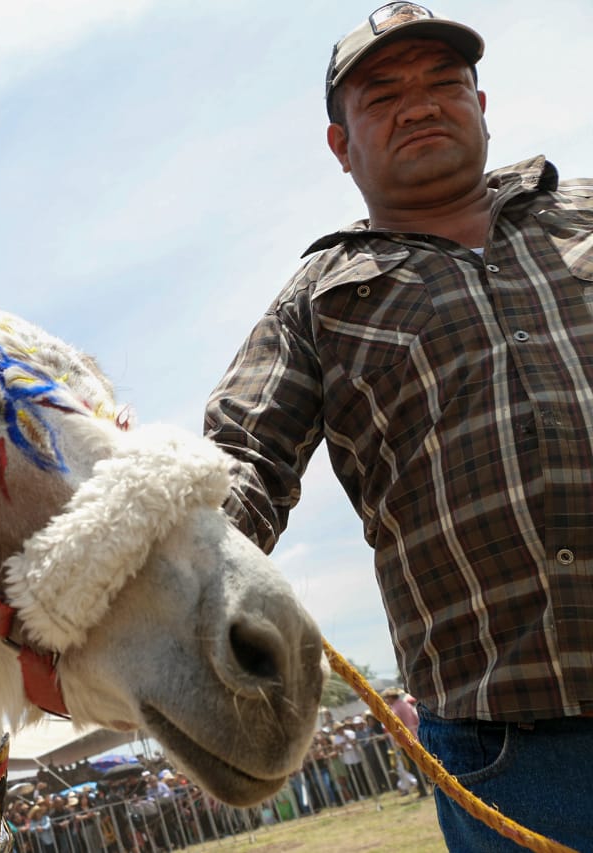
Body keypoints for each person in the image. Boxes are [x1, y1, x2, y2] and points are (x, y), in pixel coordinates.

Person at [203, 3, 592, 850]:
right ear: (341, 145)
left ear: (481, 107)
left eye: (444, 84)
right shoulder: (322, 298)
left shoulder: (587, 212)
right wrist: (152, 565)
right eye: (382, 96)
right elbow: (240, 462)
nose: (420, 105)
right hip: (515, 746)